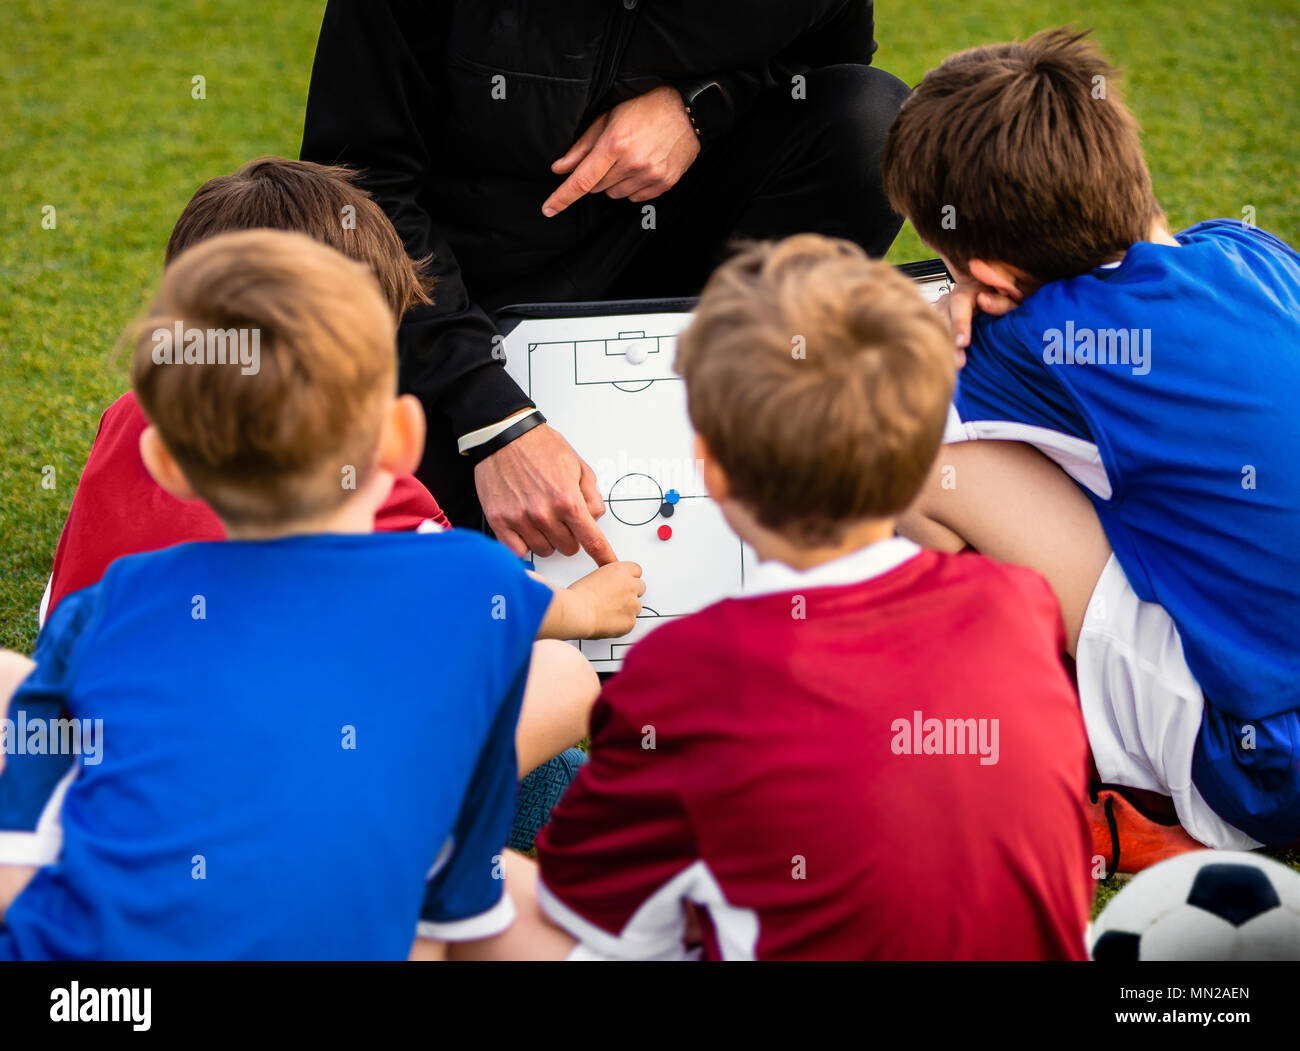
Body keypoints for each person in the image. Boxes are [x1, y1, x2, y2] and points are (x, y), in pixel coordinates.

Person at [0, 230, 644, 959]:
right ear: (401, 436)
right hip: (355, 901)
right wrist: (589, 608)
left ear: (165, 460)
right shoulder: (463, 579)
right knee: (531, 712)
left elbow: (22, 843)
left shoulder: (101, 611)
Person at [489, 237, 1094, 960]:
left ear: (711, 468)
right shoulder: (1019, 604)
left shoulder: (680, 673)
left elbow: (588, 915)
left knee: (451, 879)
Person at [882, 28, 1300, 862]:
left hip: (1260, 773)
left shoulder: (1035, 337)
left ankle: (1038, 735)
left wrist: (936, 320)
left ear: (994, 283)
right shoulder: (1252, 251)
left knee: (913, 461)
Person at [39, 157, 588, 788]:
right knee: (561, 677)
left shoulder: (129, 413)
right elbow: (481, 596)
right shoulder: (358, 468)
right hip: (277, 797)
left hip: (92, 761)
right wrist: (587, 608)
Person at [300, 0, 912, 558]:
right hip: (460, 296)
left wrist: (699, 107)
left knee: (870, 121)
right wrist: (491, 420)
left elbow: (822, 69)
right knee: (434, 572)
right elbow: (358, 191)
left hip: (682, 256)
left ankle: (744, 420)